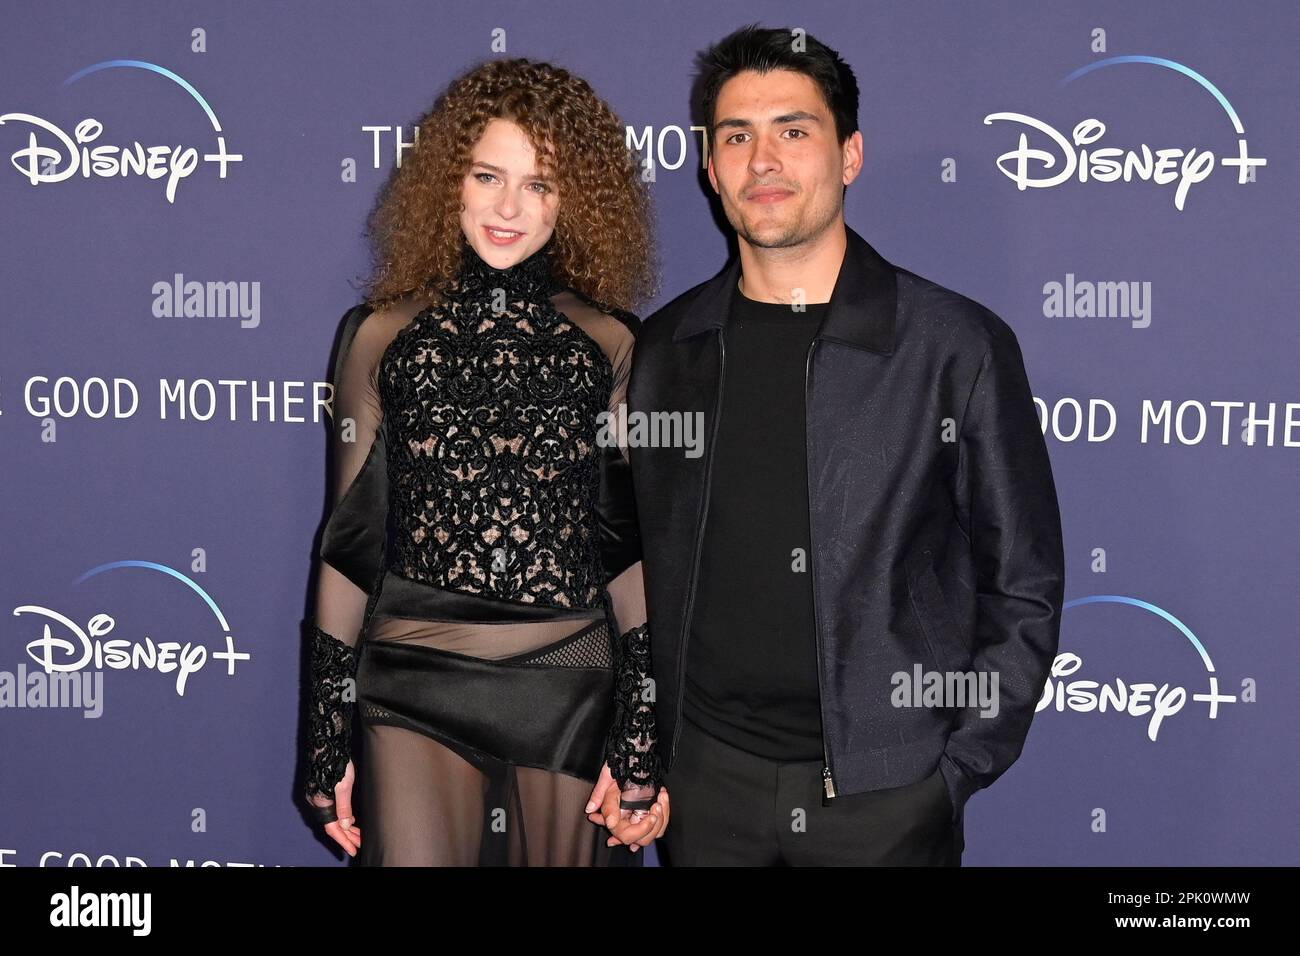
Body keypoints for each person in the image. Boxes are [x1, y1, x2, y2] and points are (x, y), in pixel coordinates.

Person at [628, 25, 1066, 865]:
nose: (764, 161)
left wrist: (953, 769)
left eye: (794, 131)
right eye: (737, 137)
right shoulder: (666, 349)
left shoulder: (952, 344)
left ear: (850, 154)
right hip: (705, 790)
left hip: (885, 799)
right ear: (710, 167)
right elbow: (632, 566)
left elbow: (1025, 583)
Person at [300, 57, 671, 865]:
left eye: (539, 185)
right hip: (411, 677)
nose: (509, 208)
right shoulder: (379, 334)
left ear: (575, 201)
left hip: (569, 678)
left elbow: (627, 547)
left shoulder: (610, 341)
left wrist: (641, 735)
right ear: (450, 183)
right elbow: (348, 545)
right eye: (487, 176)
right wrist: (326, 741)